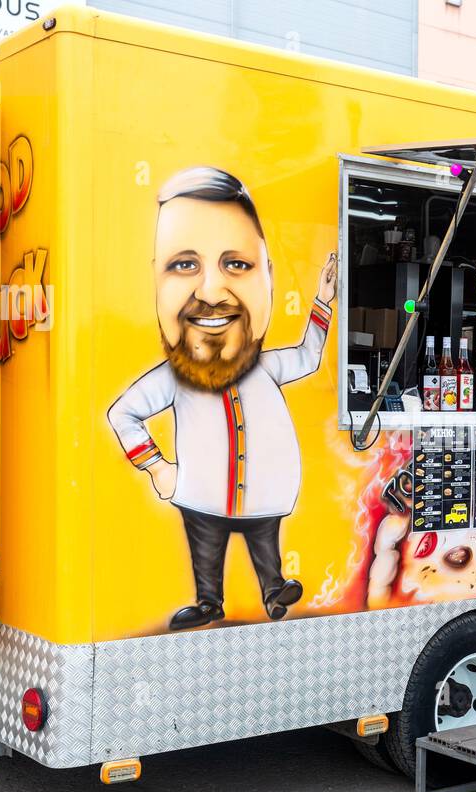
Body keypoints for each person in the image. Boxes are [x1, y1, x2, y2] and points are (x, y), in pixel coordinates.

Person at [109, 166, 339, 629]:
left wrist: (323, 302)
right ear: (156, 280)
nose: (212, 291)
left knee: (264, 544)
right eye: (183, 264)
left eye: (237, 264)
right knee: (206, 549)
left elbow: (309, 357)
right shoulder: (174, 376)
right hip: (202, 495)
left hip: (262, 496)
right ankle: (209, 602)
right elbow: (124, 412)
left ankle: (274, 591)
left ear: (269, 278)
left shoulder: (265, 366)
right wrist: (157, 466)